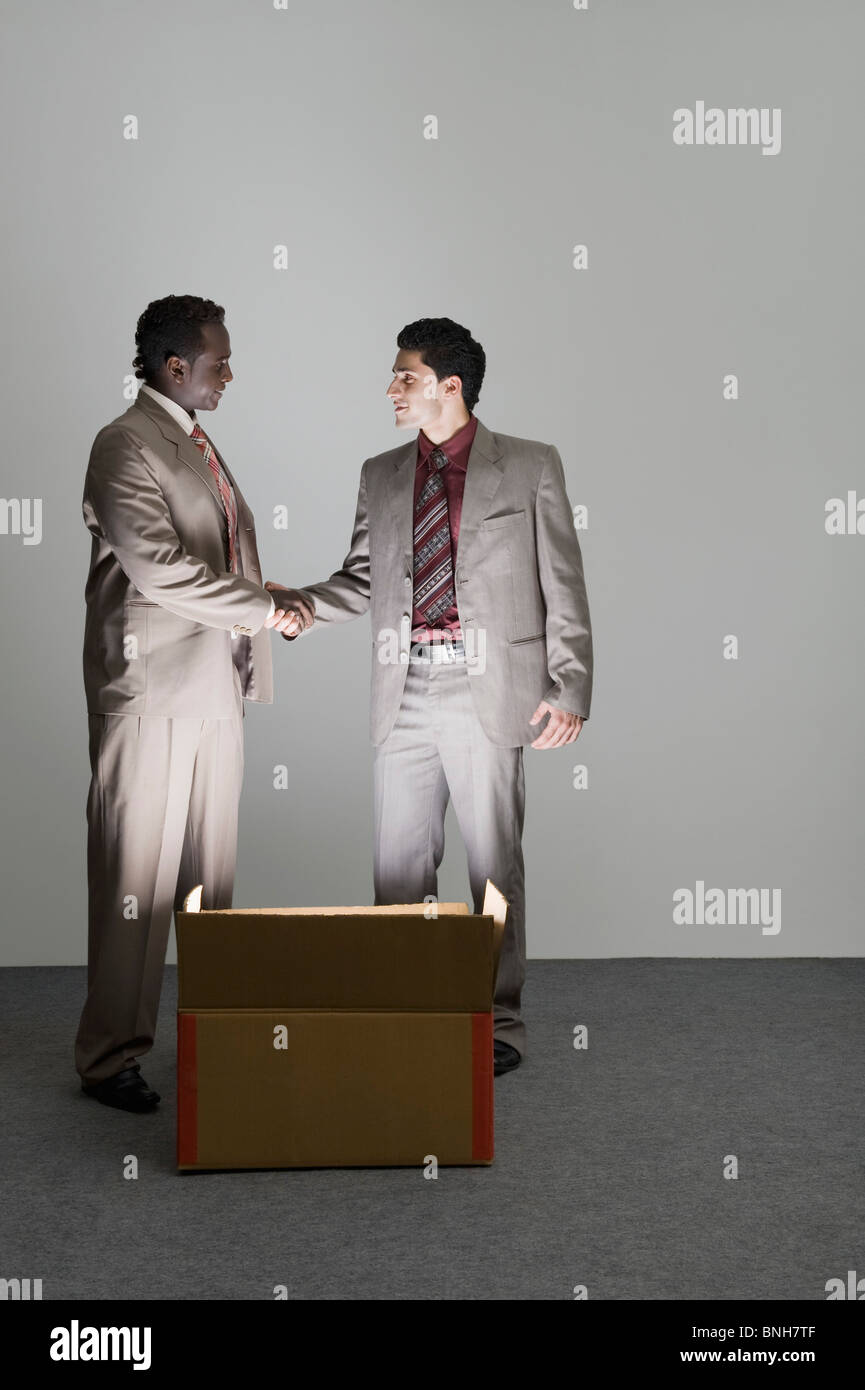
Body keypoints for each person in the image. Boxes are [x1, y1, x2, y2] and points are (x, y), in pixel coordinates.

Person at [267, 317, 593, 1074]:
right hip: (403, 685)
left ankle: (497, 1022)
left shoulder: (531, 465)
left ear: (450, 386)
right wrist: (302, 605)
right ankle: (408, 1011)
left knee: (493, 867)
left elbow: (563, 582)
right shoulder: (380, 473)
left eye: (404, 376)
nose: (391, 388)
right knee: (398, 870)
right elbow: (362, 578)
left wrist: (570, 684)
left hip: (492, 687)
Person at [76, 294, 309, 1112]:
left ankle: (212, 1040)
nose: (229, 374)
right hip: (150, 693)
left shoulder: (194, 440)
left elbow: (215, 554)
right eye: (220, 362)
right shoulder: (124, 443)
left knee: (210, 884)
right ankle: (109, 1057)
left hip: (214, 687)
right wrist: (263, 609)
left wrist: (266, 598)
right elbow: (158, 567)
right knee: (135, 883)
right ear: (176, 365)